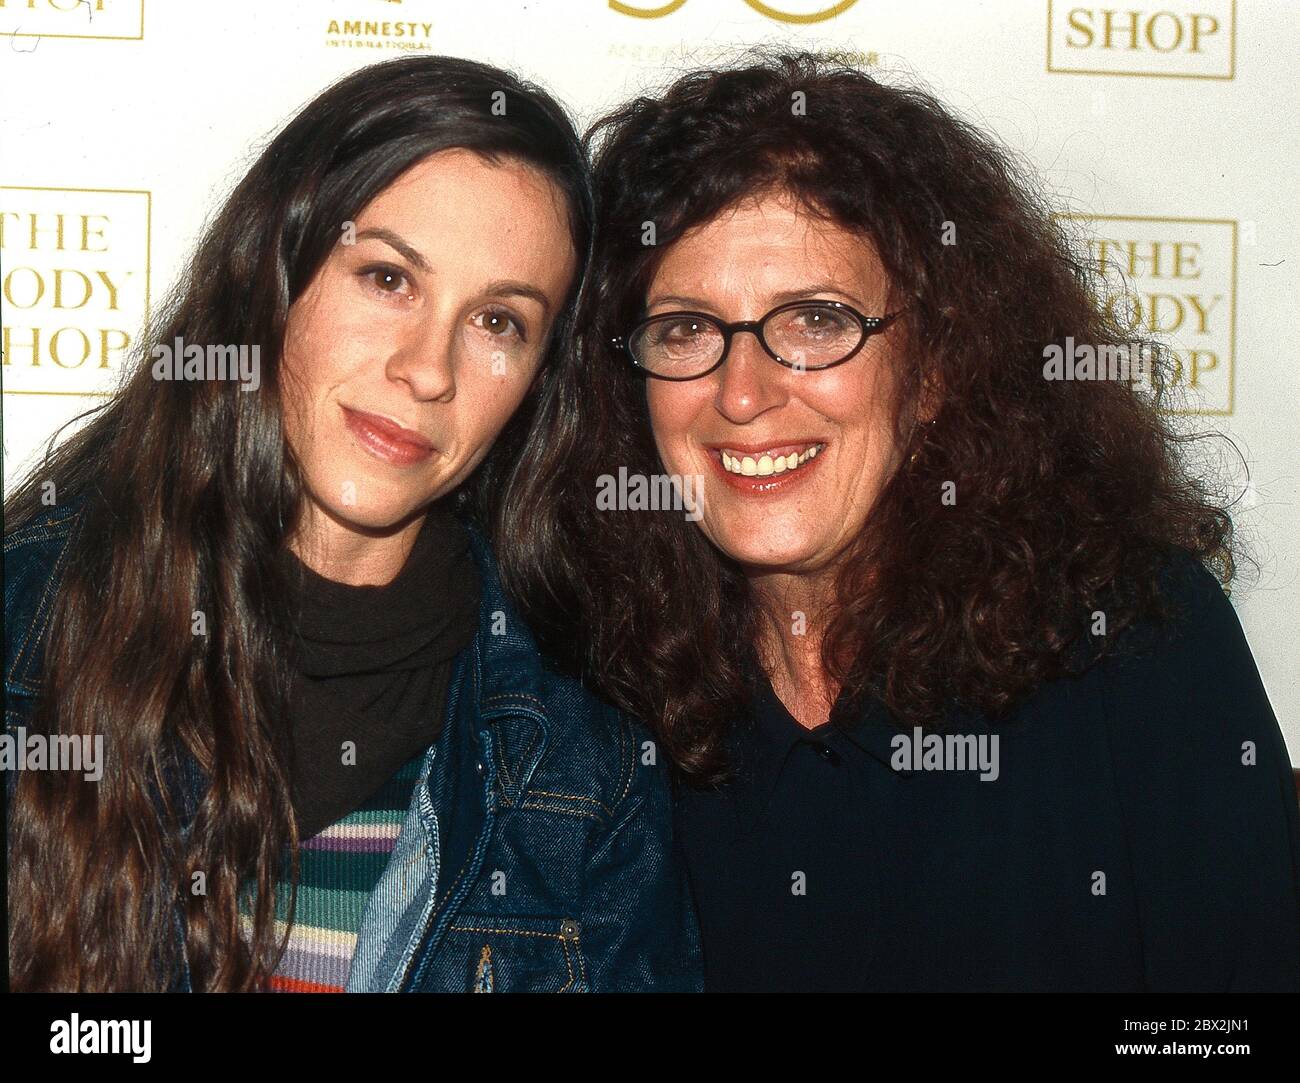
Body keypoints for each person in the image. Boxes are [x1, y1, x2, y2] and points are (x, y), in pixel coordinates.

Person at [499, 51, 1300, 992]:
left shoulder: (1132, 635)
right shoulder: (592, 689)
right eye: (686, 330)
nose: (743, 392)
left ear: (936, 367)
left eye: (814, 321)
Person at [4, 56, 701, 993]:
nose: (427, 369)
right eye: (387, 277)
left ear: (539, 382)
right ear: (276, 275)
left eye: (498, 321)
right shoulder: (25, 629)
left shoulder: (583, 745)